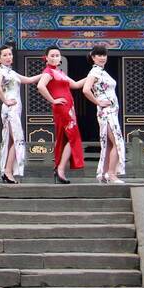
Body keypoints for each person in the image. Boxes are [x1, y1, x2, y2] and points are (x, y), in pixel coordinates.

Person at [36, 45, 88, 184]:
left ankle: (59, 169)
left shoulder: (59, 72)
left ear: (60, 58)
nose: (54, 58)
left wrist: (92, 76)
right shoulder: (48, 72)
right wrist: (53, 100)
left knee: (66, 138)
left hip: (68, 107)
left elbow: (76, 85)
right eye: (52, 55)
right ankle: (60, 169)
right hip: (62, 107)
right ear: (46, 58)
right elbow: (40, 86)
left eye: (57, 55)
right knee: (73, 136)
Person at [0, 43, 41, 184]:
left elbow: (29, 80)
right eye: (5, 55)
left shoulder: (11, 72)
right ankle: (7, 172)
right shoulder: (1, 71)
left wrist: (46, 73)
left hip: (15, 109)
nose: (8, 57)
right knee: (17, 139)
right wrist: (6, 100)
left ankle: (6, 172)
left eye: (10, 54)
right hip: (11, 110)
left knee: (12, 140)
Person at [82, 45, 126, 185]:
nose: (102, 58)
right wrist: (98, 102)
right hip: (107, 113)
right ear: (93, 57)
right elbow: (85, 90)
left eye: (104, 55)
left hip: (112, 111)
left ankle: (105, 174)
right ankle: (112, 175)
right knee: (117, 143)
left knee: (109, 144)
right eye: (99, 55)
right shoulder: (94, 72)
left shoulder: (102, 72)